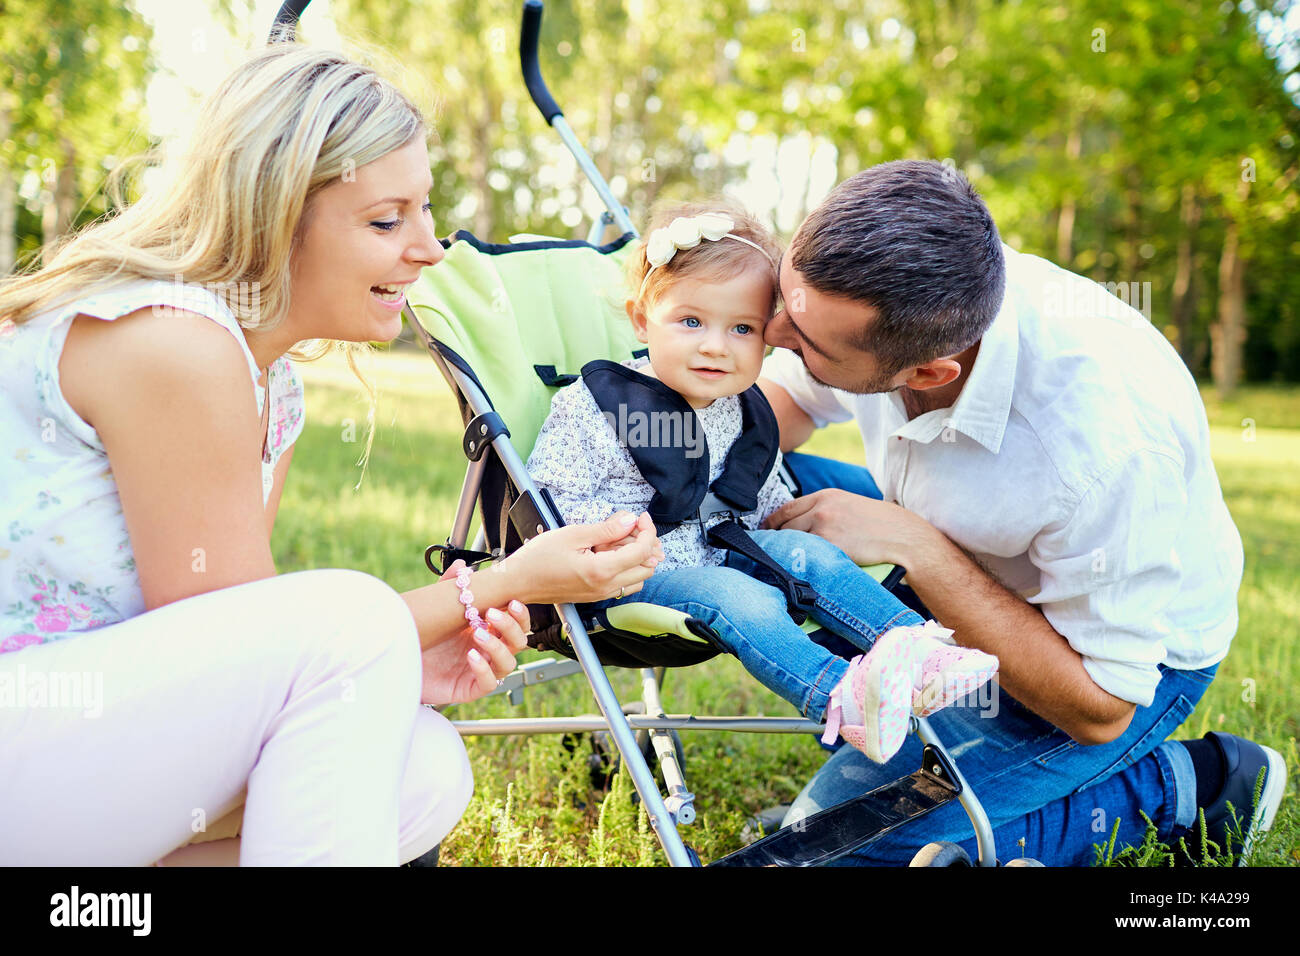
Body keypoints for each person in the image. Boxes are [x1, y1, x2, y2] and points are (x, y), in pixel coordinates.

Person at [0, 45, 663, 866]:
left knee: (424, 773)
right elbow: (253, 641)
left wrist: (397, 668)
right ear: (275, 217)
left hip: (67, 742)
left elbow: (245, 652)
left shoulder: (268, 383)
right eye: (387, 220)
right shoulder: (173, 345)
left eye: (425, 211)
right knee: (348, 624)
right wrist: (505, 583)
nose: (429, 248)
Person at [757, 160, 1286, 865]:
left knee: (818, 855)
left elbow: (1100, 706)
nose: (768, 332)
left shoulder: (1105, 445)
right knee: (747, 482)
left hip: (1096, 663)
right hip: (958, 553)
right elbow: (778, 409)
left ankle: (1186, 784)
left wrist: (919, 548)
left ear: (929, 374)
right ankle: (893, 803)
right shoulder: (894, 287)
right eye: (785, 305)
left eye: (803, 339)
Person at [526, 200, 999, 766]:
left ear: (768, 341)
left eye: (742, 328)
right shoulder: (597, 407)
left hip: (726, 545)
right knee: (740, 595)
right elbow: (550, 499)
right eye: (691, 321)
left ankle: (918, 650)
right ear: (640, 320)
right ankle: (841, 698)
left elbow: (760, 488)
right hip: (635, 572)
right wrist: (611, 541)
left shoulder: (740, 407)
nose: (715, 345)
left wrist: (787, 539)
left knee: (810, 554)